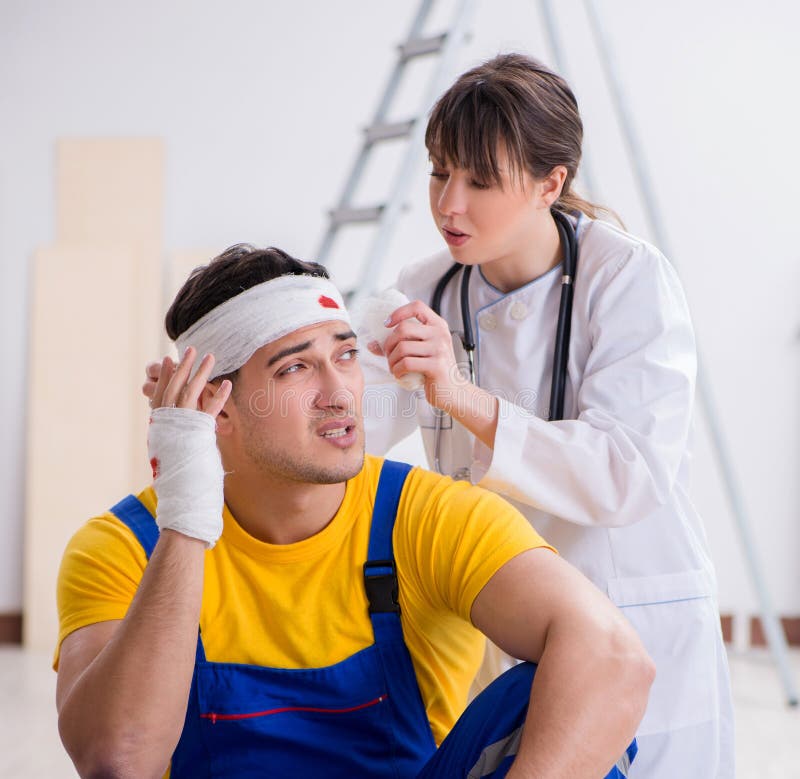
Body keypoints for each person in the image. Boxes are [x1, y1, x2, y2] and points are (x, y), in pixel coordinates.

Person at [56, 245, 653, 779]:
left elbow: (616, 659)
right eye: (294, 367)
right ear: (218, 407)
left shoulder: (426, 517)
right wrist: (186, 511)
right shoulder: (124, 548)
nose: (339, 390)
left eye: (344, 356)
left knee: (566, 699)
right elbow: (117, 761)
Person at [358, 53, 734, 778]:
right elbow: (351, 426)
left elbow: (628, 473)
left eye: (478, 181)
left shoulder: (626, 279)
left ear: (549, 183)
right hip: (509, 620)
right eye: (439, 172)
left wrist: (459, 394)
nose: (448, 204)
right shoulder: (425, 288)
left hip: (635, 613)